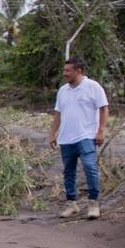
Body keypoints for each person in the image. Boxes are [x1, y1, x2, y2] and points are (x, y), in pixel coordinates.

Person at [48, 58, 109, 220]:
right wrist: (52, 133)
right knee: (68, 171)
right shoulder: (63, 90)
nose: (64, 74)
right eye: (64, 70)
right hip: (66, 138)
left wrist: (101, 131)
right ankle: (71, 203)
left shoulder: (93, 87)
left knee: (89, 167)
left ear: (79, 71)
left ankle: (93, 202)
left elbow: (104, 108)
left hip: (86, 136)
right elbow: (58, 113)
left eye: (68, 71)